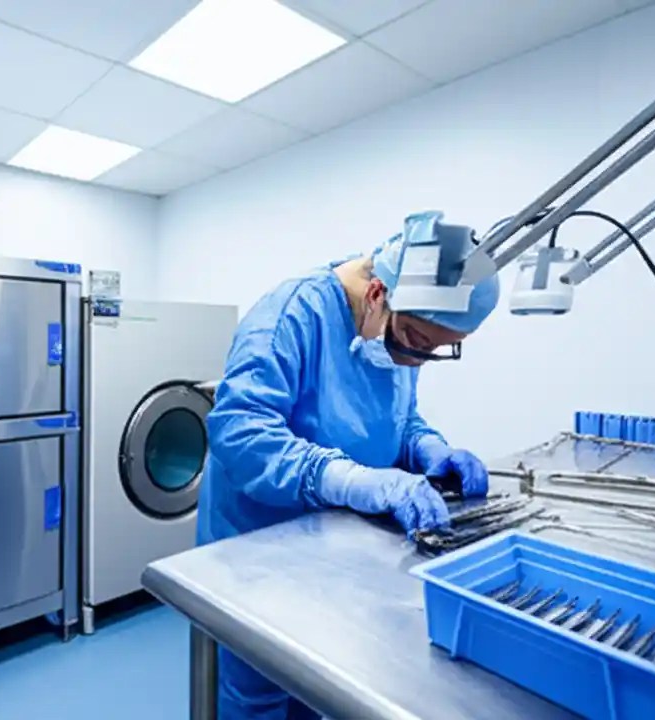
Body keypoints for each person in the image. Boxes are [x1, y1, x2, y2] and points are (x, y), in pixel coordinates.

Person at [196, 211, 501, 720]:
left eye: (440, 350)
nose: (418, 360)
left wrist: (429, 448)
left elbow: (398, 419)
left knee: (317, 684)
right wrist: (350, 479)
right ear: (379, 293)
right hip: (256, 550)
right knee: (261, 695)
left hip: (333, 554)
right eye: (420, 343)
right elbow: (241, 433)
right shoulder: (291, 315)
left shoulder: (391, 333)